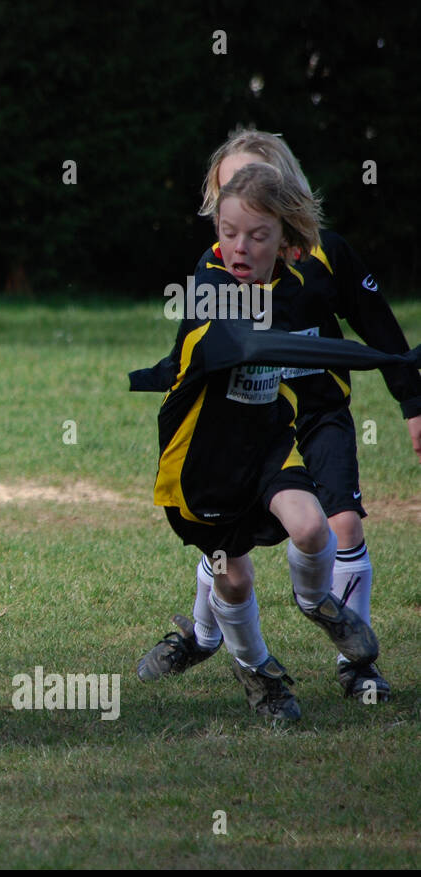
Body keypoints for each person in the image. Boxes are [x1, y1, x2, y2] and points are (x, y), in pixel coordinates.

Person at [134, 130, 421, 702]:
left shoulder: (313, 262)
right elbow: (217, 351)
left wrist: (407, 391)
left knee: (329, 525)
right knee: (228, 563)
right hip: (214, 447)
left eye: (257, 223)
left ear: (282, 217)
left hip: (298, 418)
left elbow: (377, 322)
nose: (238, 238)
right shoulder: (215, 280)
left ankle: (351, 659)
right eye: (226, 212)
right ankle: (219, 641)